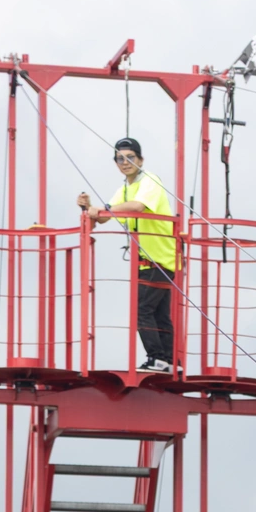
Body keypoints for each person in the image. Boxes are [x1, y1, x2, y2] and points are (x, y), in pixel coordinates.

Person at [77, 138, 178, 373]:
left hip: (158, 258)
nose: (125, 163)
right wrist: (90, 207)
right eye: (120, 159)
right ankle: (170, 361)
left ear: (140, 160)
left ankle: (157, 358)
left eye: (130, 157)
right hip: (154, 259)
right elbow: (104, 217)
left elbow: (137, 207)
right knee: (159, 313)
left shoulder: (149, 180)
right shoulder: (125, 188)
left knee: (142, 310)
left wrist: (103, 210)